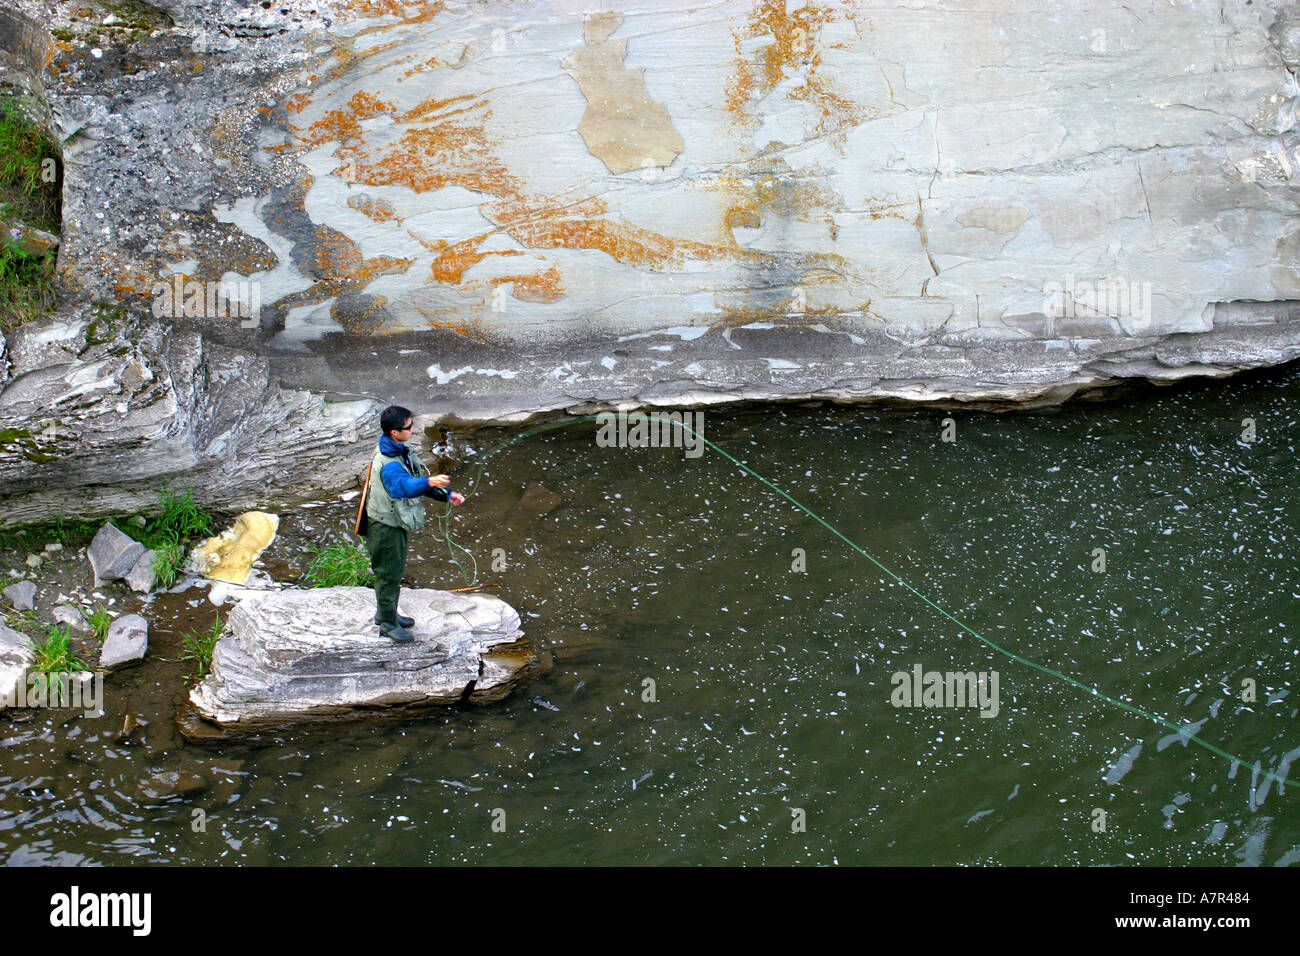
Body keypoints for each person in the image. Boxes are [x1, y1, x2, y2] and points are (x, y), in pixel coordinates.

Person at [365, 405, 465, 643]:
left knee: (394, 570)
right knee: (389, 574)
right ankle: (387, 624)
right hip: (385, 525)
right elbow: (404, 487)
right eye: (408, 427)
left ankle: (385, 614)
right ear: (394, 433)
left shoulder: (403, 450)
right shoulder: (388, 464)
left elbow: (417, 479)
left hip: (394, 521)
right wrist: (430, 480)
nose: (412, 430)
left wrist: (446, 494)